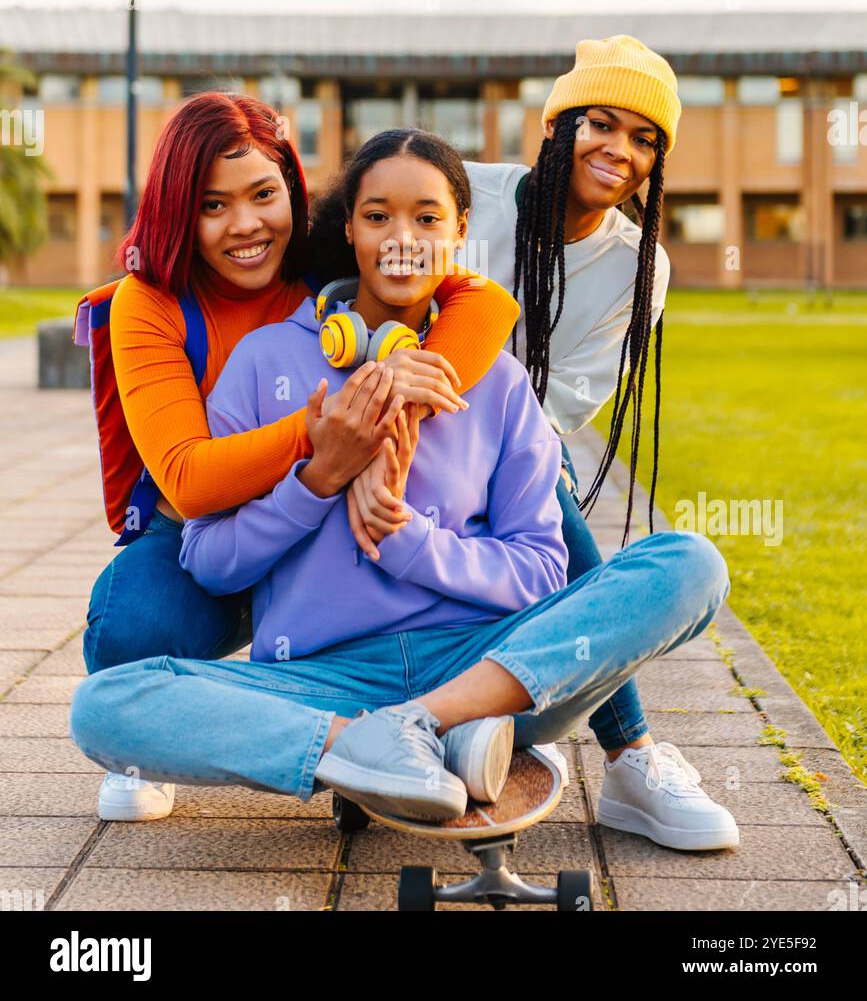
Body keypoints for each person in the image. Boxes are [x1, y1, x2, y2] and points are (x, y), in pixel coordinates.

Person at [70, 128, 738, 851]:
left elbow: (543, 573)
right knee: (105, 704)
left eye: (426, 218)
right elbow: (207, 564)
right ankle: (384, 741)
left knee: (691, 563)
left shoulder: (499, 381)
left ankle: (420, 727)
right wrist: (315, 482)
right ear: (348, 227)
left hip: (483, 665)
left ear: (459, 231)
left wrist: (409, 544)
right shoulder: (264, 364)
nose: (402, 237)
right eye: (379, 215)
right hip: (321, 678)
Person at [81, 92, 521, 822]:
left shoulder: (324, 259)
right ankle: (157, 740)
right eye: (212, 205)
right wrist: (333, 435)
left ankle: (626, 745)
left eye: (263, 194)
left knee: (550, 489)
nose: (246, 225)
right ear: (178, 213)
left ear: (293, 188)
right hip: (205, 527)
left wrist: (397, 391)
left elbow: (484, 303)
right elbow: (191, 481)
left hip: (324, 516)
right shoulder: (150, 302)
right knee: (133, 628)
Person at [347, 37, 737, 850]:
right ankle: (621, 746)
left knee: (557, 509)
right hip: (380, 417)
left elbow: (560, 405)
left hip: (516, 442)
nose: (618, 151)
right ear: (557, 126)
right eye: (601, 123)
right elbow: (366, 280)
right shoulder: (469, 195)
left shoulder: (638, 267)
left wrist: (498, 451)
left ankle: (625, 765)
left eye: (644, 139)